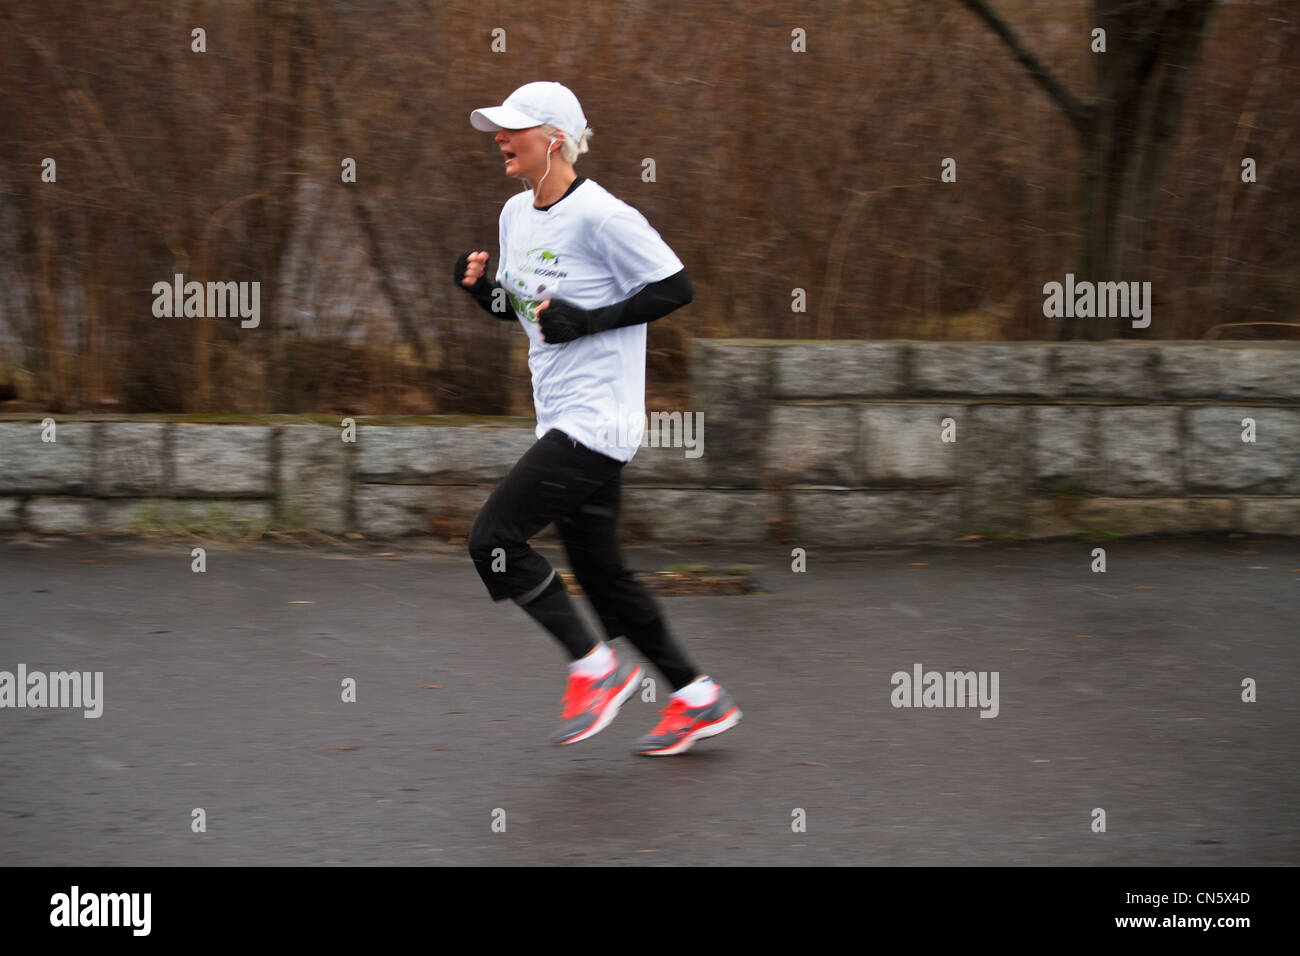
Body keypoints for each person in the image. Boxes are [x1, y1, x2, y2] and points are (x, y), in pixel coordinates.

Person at [453, 81, 740, 756]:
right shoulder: (515, 214)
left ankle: (594, 668)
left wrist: (595, 321)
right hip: (558, 416)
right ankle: (699, 699)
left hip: (598, 420)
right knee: (605, 575)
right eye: (498, 127)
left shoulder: (603, 216)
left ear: (554, 140)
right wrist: (483, 296)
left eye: (513, 129)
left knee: (493, 540)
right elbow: (532, 313)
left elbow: (675, 286)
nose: (499, 138)